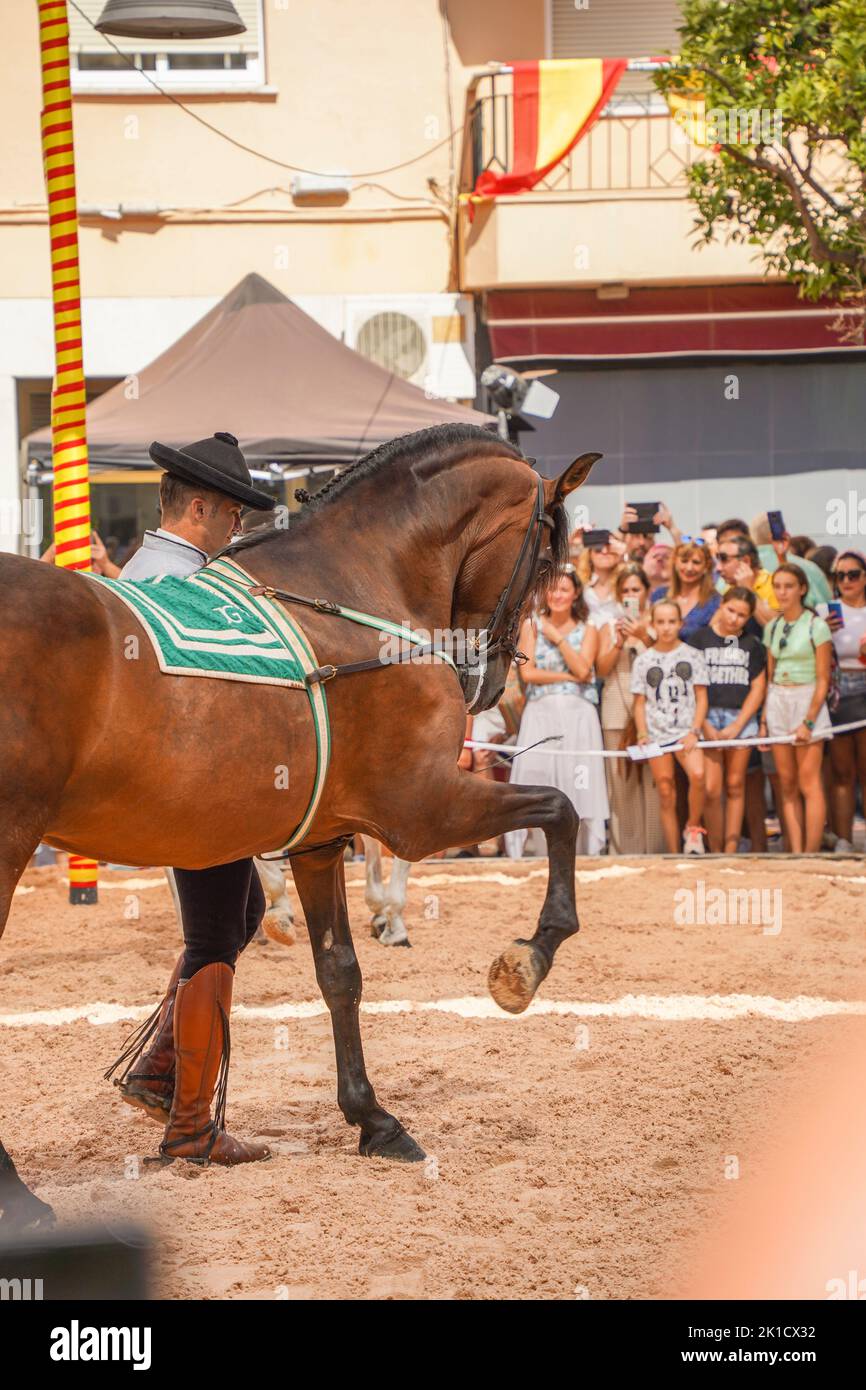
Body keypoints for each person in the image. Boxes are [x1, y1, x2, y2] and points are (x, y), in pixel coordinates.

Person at [108, 431, 277, 1166]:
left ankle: (161, 1065)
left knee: (245, 913)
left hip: (183, 776)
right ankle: (189, 1125)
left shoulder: (162, 569)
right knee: (215, 934)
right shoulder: (186, 585)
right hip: (194, 780)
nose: (238, 529)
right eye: (233, 515)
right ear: (201, 506)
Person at [505, 569, 609, 858]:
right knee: (538, 777)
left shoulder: (588, 628)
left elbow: (584, 668)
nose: (558, 595)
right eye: (552, 589)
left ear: (575, 593)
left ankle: (585, 851)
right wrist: (571, 678)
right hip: (541, 713)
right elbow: (529, 673)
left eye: (564, 589)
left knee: (581, 778)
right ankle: (535, 850)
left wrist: (559, 639)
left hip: (579, 715)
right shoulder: (531, 626)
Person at [760, 563, 833, 854]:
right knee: (786, 785)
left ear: (802, 589)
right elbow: (770, 674)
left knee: (809, 783)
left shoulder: (817, 625)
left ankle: (812, 852)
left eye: (788, 586)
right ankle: (796, 850)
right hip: (778, 699)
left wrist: (810, 721)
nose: (782, 592)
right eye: (778, 586)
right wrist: (765, 719)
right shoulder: (772, 627)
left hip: (807, 699)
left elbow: (823, 679)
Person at [688, 587, 767, 853]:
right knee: (711, 789)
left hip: (740, 720)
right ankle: (716, 848)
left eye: (742, 615)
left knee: (735, 784)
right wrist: (704, 725)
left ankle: (731, 851)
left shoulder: (752, 644)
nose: (734, 618)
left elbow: (758, 687)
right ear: (721, 605)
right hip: (706, 717)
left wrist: (738, 725)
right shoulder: (699, 640)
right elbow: (691, 686)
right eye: (731, 610)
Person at [596, 564, 665, 853]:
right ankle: (623, 849)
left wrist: (645, 636)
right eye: (625, 590)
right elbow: (600, 670)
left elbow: (667, 662)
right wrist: (619, 642)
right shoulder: (608, 626)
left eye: (636, 589)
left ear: (647, 592)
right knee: (620, 781)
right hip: (615, 704)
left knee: (654, 782)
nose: (630, 595)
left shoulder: (660, 622)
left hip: (654, 710)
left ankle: (656, 846)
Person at [631, 598, 709, 854]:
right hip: (656, 734)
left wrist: (694, 730)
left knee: (698, 776)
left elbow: (701, 697)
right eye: (661, 622)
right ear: (652, 624)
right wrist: (643, 733)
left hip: (686, 732)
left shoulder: (693, 655)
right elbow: (639, 703)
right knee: (665, 791)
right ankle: (673, 853)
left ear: (681, 623)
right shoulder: (643, 660)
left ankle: (693, 828)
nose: (666, 627)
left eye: (671, 621)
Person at [826, 550, 866, 852]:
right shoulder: (825, 610)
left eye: (853, 574)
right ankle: (843, 840)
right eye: (840, 575)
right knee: (842, 771)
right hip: (840, 688)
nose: (846, 581)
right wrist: (823, 632)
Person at [751, 512, 832, 610]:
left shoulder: (740, 570)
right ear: (785, 534)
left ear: (752, 537)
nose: (782, 592)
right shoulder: (810, 569)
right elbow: (827, 606)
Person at [651, 539, 720, 638]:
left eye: (696, 562)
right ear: (675, 561)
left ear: (706, 566)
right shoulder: (659, 595)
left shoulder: (715, 601)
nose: (689, 568)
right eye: (684, 561)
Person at [715, 532, 778, 625]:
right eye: (718, 559)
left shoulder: (775, 585)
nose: (718, 568)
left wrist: (748, 590)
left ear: (745, 561)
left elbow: (776, 628)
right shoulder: (729, 587)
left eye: (724, 559)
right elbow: (714, 628)